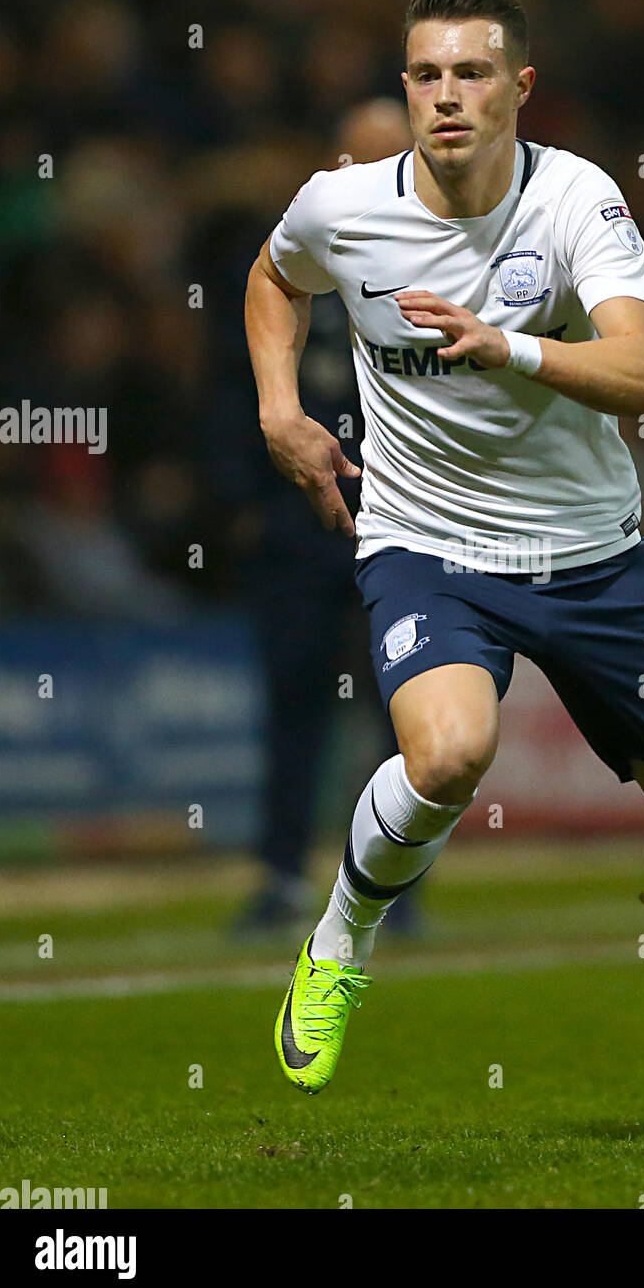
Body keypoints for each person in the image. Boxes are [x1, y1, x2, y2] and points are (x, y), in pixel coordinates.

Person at [244, 0, 644, 1134]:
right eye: (425, 75)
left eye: (470, 74)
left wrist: (507, 346)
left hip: (588, 551)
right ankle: (336, 944)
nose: (444, 98)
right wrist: (280, 409)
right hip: (426, 542)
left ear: (518, 87)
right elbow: (274, 278)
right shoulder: (341, 206)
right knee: (450, 750)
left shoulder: (577, 201)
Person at [232, 99, 422, 937]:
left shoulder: (442, 271)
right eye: (360, 160)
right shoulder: (291, 262)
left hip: (404, 523)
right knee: (294, 702)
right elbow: (228, 386)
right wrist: (240, 500)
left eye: (392, 160)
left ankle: (398, 886)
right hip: (296, 535)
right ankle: (279, 873)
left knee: (411, 711)